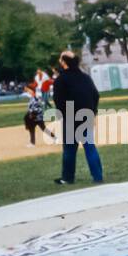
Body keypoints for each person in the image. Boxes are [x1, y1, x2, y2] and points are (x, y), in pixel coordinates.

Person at [51, 52, 104, 185]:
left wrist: (62, 115)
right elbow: (95, 95)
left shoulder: (61, 80)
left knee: (69, 149)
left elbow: (59, 101)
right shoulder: (85, 77)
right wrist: (93, 111)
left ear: (64, 62)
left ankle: (68, 178)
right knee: (90, 147)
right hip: (86, 115)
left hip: (70, 116)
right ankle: (98, 177)